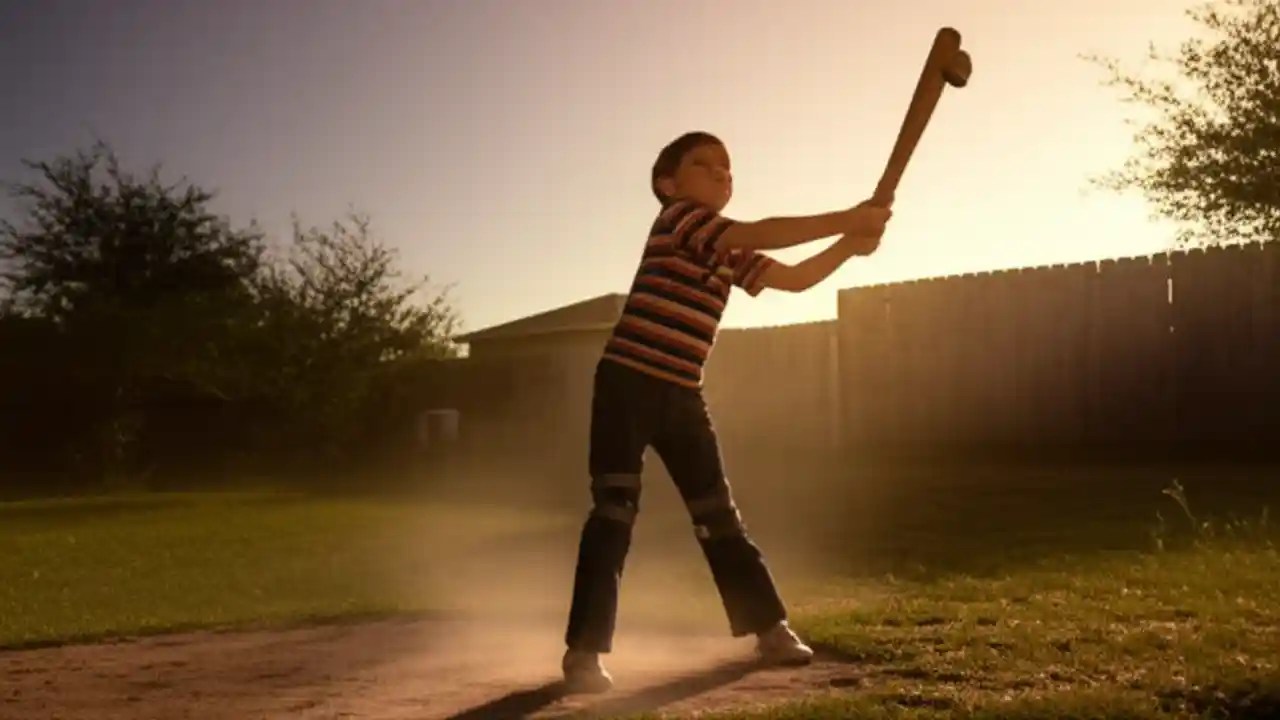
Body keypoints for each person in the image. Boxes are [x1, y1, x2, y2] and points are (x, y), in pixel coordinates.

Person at [561, 131, 891, 693]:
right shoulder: (680, 220)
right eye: (704, 164)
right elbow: (764, 232)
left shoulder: (729, 251)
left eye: (727, 167)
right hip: (627, 384)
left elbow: (794, 279)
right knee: (614, 510)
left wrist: (848, 246)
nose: (721, 173)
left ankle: (770, 630)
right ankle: (584, 653)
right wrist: (848, 219)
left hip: (682, 394)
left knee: (718, 515)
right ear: (668, 185)